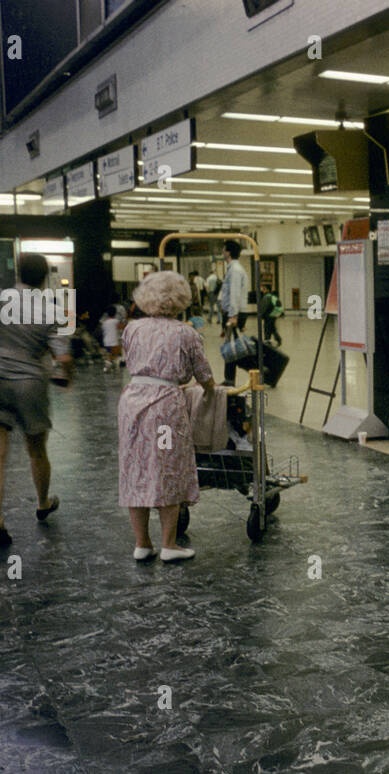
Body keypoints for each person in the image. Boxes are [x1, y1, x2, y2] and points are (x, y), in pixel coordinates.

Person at [0, 253, 73, 548]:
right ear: (45, 278)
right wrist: (68, 374)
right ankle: (42, 503)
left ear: (17, 273)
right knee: (36, 449)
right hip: (31, 384)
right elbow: (63, 356)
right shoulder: (50, 310)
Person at [116, 270, 217, 563]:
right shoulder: (186, 332)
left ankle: (142, 543)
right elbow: (204, 374)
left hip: (132, 402)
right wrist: (210, 391)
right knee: (167, 468)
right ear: (181, 299)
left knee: (135, 467)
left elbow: (132, 361)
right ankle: (170, 545)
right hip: (165, 406)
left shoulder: (131, 329)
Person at [218, 240, 251, 386]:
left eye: (223, 249)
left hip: (234, 314)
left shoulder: (235, 270)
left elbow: (235, 294)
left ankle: (257, 369)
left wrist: (232, 315)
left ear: (228, 252)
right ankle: (229, 378)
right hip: (233, 313)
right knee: (232, 347)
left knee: (234, 348)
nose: (222, 252)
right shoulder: (233, 269)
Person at [257, 282, 284, 347]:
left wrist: (260, 314)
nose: (262, 290)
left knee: (267, 328)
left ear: (267, 290)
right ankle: (278, 339)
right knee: (272, 328)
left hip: (269, 315)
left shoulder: (267, 297)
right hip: (274, 314)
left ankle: (267, 341)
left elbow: (264, 307)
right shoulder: (272, 296)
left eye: (264, 289)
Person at [100, 304, 124, 372]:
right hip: (114, 342)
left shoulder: (104, 322)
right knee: (115, 355)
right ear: (115, 313)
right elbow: (121, 328)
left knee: (110, 354)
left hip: (106, 342)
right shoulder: (116, 321)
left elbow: (103, 331)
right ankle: (109, 366)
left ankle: (109, 365)